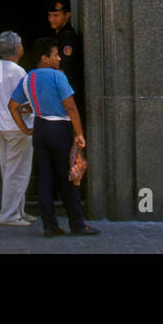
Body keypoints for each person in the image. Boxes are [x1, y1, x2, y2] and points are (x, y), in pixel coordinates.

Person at [9, 37, 99, 237]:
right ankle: (77, 223)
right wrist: (80, 134)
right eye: (56, 55)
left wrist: (25, 129)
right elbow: (71, 107)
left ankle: (49, 225)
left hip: (40, 128)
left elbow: (12, 106)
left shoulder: (28, 78)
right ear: (45, 58)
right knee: (68, 177)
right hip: (59, 128)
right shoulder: (58, 77)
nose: (59, 58)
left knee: (45, 180)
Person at [0, 31, 38, 226]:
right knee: (18, 172)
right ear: (17, 48)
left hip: (2, 125)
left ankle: (18, 210)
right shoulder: (18, 71)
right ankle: (10, 215)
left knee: (9, 171)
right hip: (17, 127)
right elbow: (24, 101)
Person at [46, 0, 83, 104]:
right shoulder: (58, 36)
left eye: (56, 15)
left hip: (65, 97)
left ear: (67, 15)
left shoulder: (68, 38)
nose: (51, 19)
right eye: (49, 15)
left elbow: (62, 70)